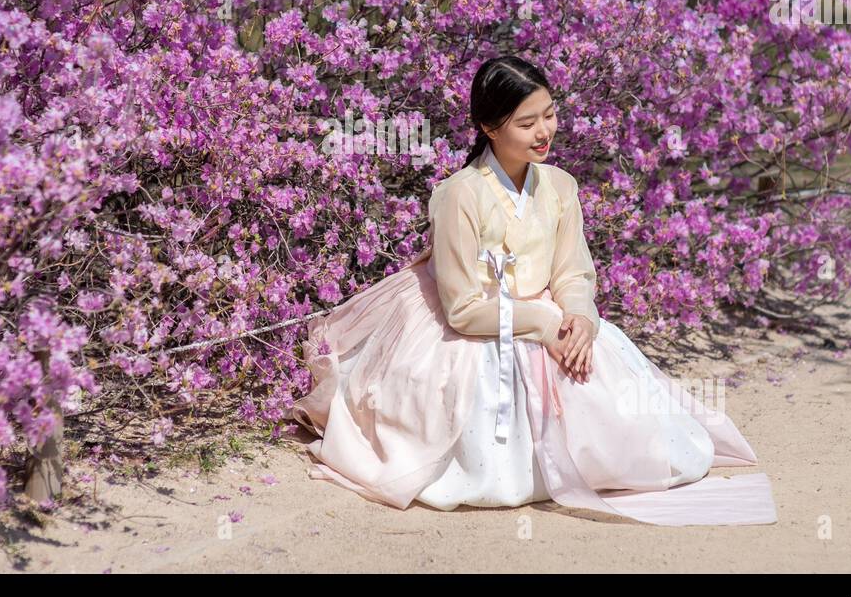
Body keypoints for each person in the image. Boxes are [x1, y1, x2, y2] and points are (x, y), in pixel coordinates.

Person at [290, 55, 777, 526]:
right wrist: (544, 323)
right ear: (489, 128)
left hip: (552, 317)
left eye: (549, 115)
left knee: (645, 440)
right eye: (527, 123)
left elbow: (573, 272)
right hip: (476, 330)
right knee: (487, 465)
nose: (544, 132)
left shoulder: (560, 186)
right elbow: (462, 310)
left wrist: (581, 319)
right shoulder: (459, 194)